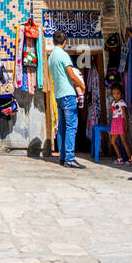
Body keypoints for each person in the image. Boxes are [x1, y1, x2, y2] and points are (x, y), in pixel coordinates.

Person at [48, 30, 86, 169]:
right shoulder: (63, 55)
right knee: (71, 126)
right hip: (68, 94)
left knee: (62, 127)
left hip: (58, 94)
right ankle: (70, 157)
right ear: (65, 42)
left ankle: (63, 157)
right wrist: (82, 85)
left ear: (53, 41)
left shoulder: (51, 56)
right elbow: (71, 75)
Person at [109, 82, 130, 163]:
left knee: (123, 141)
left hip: (120, 122)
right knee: (113, 141)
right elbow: (114, 112)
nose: (116, 95)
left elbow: (125, 115)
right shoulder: (113, 103)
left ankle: (130, 158)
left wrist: (126, 125)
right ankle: (119, 158)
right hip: (115, 122)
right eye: (114, 93)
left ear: (121, 93)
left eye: (118, 93)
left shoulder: (122, 103)